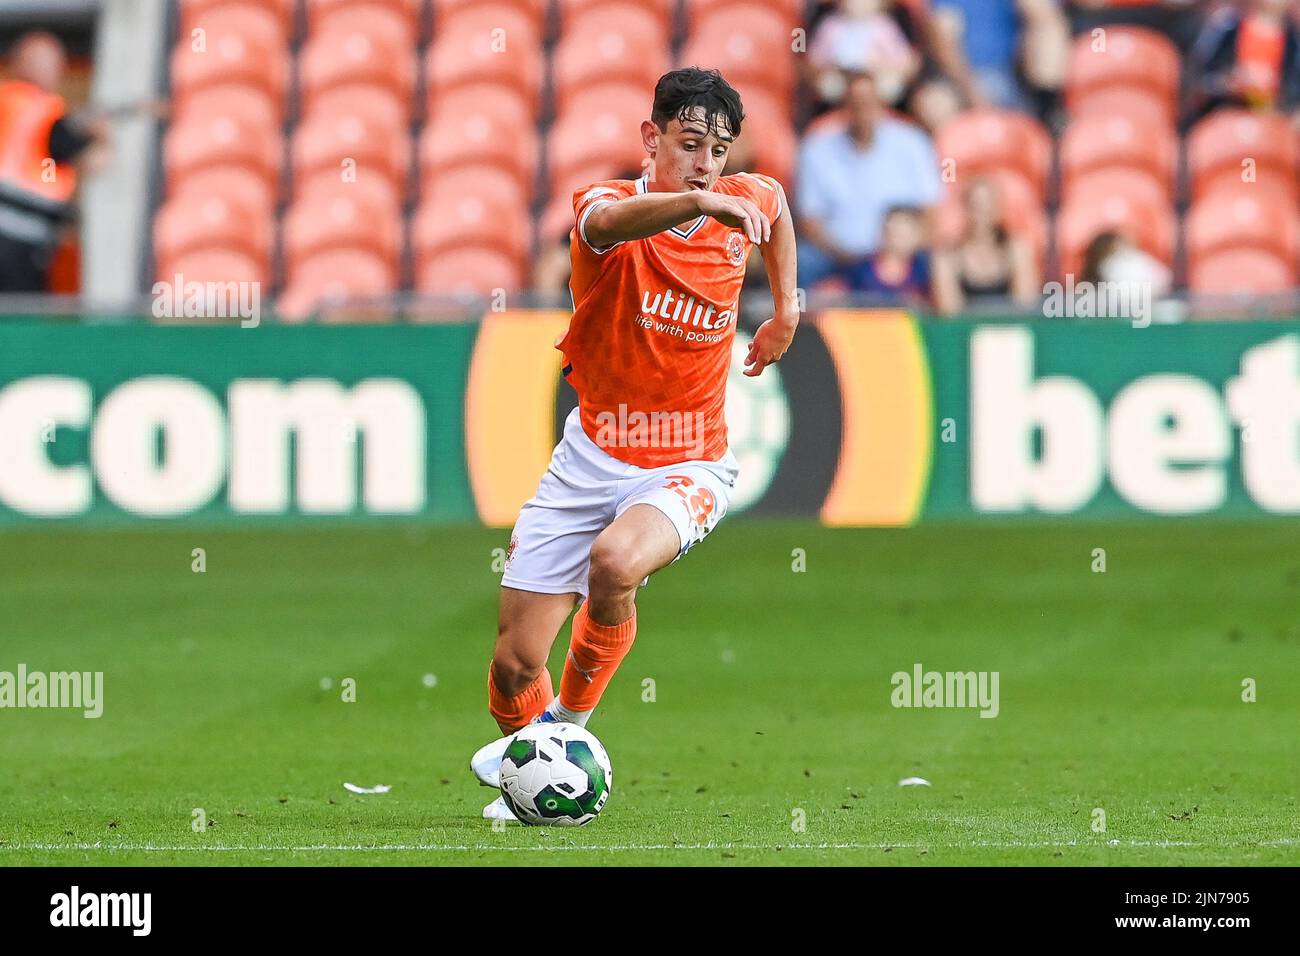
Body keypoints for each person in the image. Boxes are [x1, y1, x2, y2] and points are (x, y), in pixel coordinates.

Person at [469, 68, 799, 822]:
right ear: (651, 139)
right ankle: (538, 757)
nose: (706, 163)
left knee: (615, 562)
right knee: (514, 665)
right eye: (689, 145)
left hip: (690, 460)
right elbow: (608, 230)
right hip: (589, 457)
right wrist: (695, 201)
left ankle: (566, 739)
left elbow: (775, 211)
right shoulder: (604, 206)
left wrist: (785, 309)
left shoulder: (744, 199)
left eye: (718, 151)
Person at [796, 70, 941, 288]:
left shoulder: (912, 143)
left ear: (881, 104)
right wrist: (845, 256)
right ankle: (799, 321)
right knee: (802, 261)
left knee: (941, 262)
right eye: (856, 103)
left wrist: (904, 249)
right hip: (837, 254)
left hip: (903, 252)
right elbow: (809, 221)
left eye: (869, 103)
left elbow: (930, 211)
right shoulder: (816, 148)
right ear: (844, 107)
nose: (863, 111)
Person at [0, 32, 99, 292]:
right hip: (20, 237)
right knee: (22, 319)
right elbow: (83, 155)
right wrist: (102, 137)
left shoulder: (6, 99)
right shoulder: (45, 110)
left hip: (22, 232)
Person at [932, 177, 1039, 314]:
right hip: (964, 331)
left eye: (987, 206)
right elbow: (949, 312)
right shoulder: (948, 255)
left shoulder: (1016, 248)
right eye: (976, 206)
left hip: (1009, 330)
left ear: (997, 209)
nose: (981, 214)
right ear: (965, 209)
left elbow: (1025, 305)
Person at [1187, 0, 1300, 123]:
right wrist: (1230, 81)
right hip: (1224, 115)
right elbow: (1201, 77)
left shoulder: (1293, 45)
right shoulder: (1228, 29)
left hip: (1270, 123)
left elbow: (1293, 96)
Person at [843, 205, 932, 305]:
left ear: (919, 236)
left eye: (902, 235)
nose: (894, 241)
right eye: (891, 233)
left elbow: (945, 310)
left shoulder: (925, 271)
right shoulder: (859, 270)